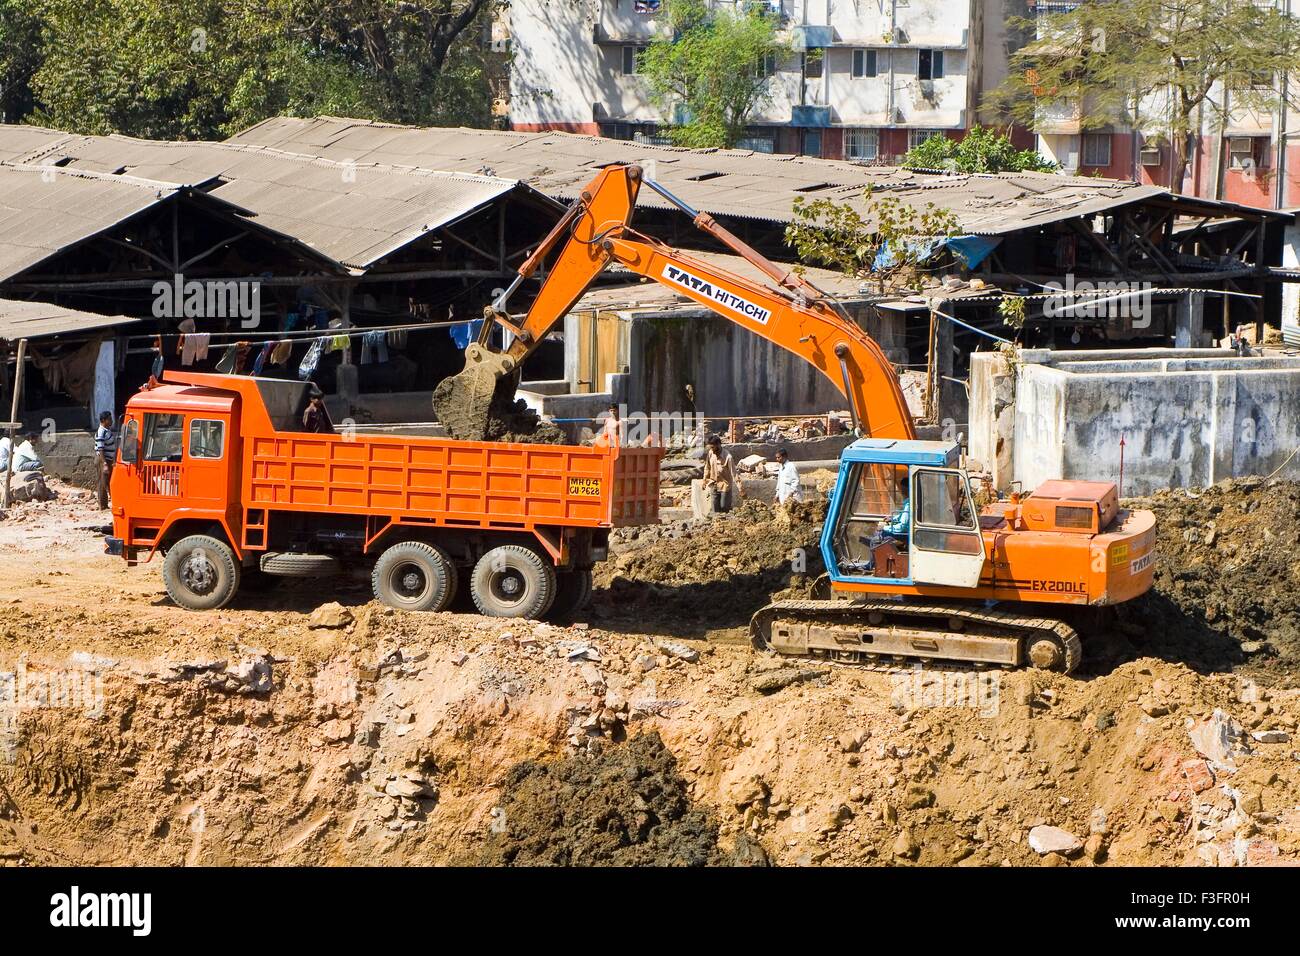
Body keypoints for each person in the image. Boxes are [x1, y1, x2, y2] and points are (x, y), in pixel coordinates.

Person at [703, 435, 737, 513]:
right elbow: (707, 467)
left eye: (713, 447)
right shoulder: (711, 453)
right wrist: (704, 480)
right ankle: (716, 523)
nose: (712, 450)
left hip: (725, 485)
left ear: (718, 445)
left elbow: (734, 473)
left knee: (724, 507)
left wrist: (741, 488)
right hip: (713, 483)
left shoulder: (728, 457)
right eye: (710, 447)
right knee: (715, 507)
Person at [95, 411, 117, 510]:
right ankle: (102, 506)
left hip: (109, 459)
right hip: (102, 459)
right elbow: (101, 448)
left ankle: (109, 503)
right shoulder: (101, 432)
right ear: (103, 420)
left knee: (109, 481)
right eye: (109, 419)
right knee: (102, 482)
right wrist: (104, 463)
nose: (111, 421)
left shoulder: (107, 430)